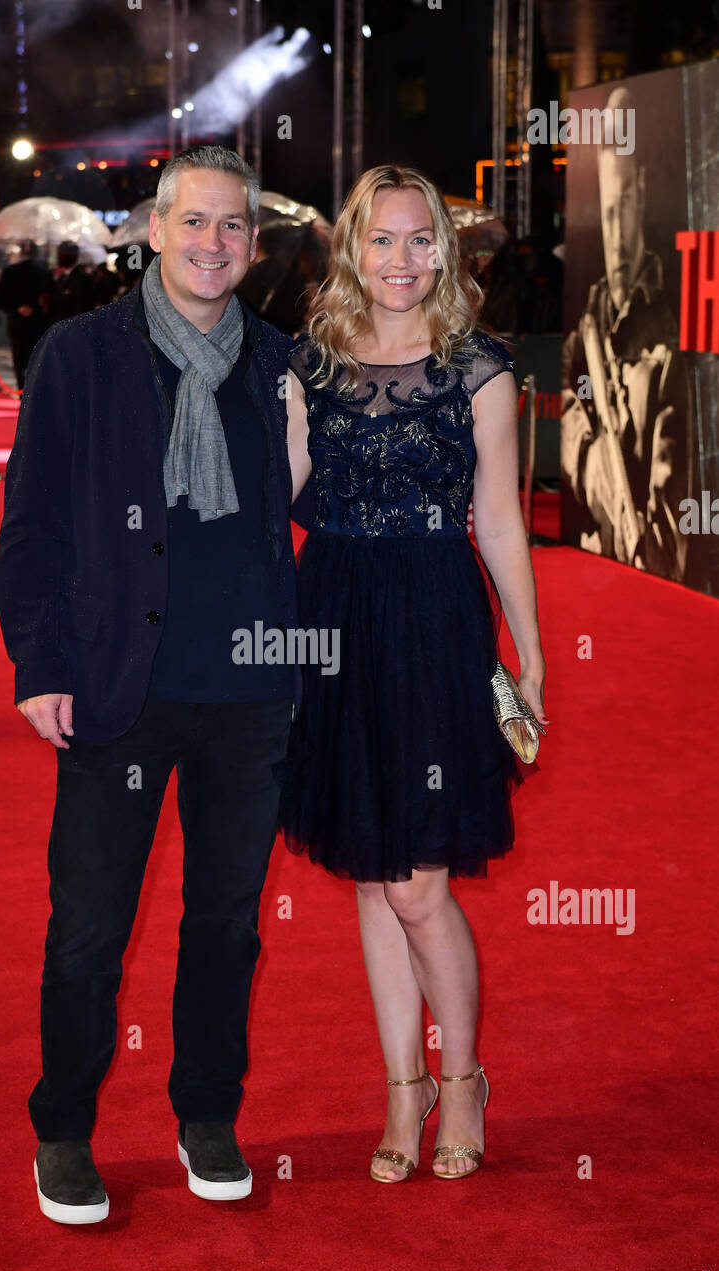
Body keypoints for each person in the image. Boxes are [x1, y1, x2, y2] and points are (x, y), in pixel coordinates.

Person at [0, 145, 300, 1223]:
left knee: (225, 921)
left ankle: (206, 1114)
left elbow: (317, 507)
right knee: (89, 927)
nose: (214, 244)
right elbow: (26, 530)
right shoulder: (79, 357)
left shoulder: (277, 363)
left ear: (251, 247)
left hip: (249, 693)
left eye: (233, 228)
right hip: (117, 687)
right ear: (153, 230)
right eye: (195, 222)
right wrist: (38, 665)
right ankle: (63, 1131)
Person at [280, 164, 548, 1184]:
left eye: (420, 240)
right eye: (382, 241)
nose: (402, 261)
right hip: (332, 613)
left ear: (446, 248)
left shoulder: (479, 369)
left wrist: (527, 654)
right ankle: (404, 1085)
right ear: (352, 248)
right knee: (369, 861)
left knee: (417, 879)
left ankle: (463, 1075)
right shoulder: (311, 365)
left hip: (435, 617)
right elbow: (278, 497)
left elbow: (498, 520)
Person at [561, 85, 691, 583]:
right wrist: (588, 459)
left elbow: (672, 463)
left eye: (625, 208)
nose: (614, 233)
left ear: (641, 199)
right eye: (606, 213)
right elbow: (574, 397)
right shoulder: (589, 315)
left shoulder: (667, 311)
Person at [0, 241, 50, 390]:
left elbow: (0, 300)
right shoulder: (43, 272)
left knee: (19, 361)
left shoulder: (9, 273)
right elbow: (50, 300)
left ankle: (22, 392)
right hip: (37, 323)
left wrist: (17, 309)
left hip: (18, 323)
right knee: (37, 360)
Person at [44, 240, 97, 325]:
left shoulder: (82, 278)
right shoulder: (62, 276)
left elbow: (82, 308)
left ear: (71, 256)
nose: (58, 257)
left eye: (61, 254)